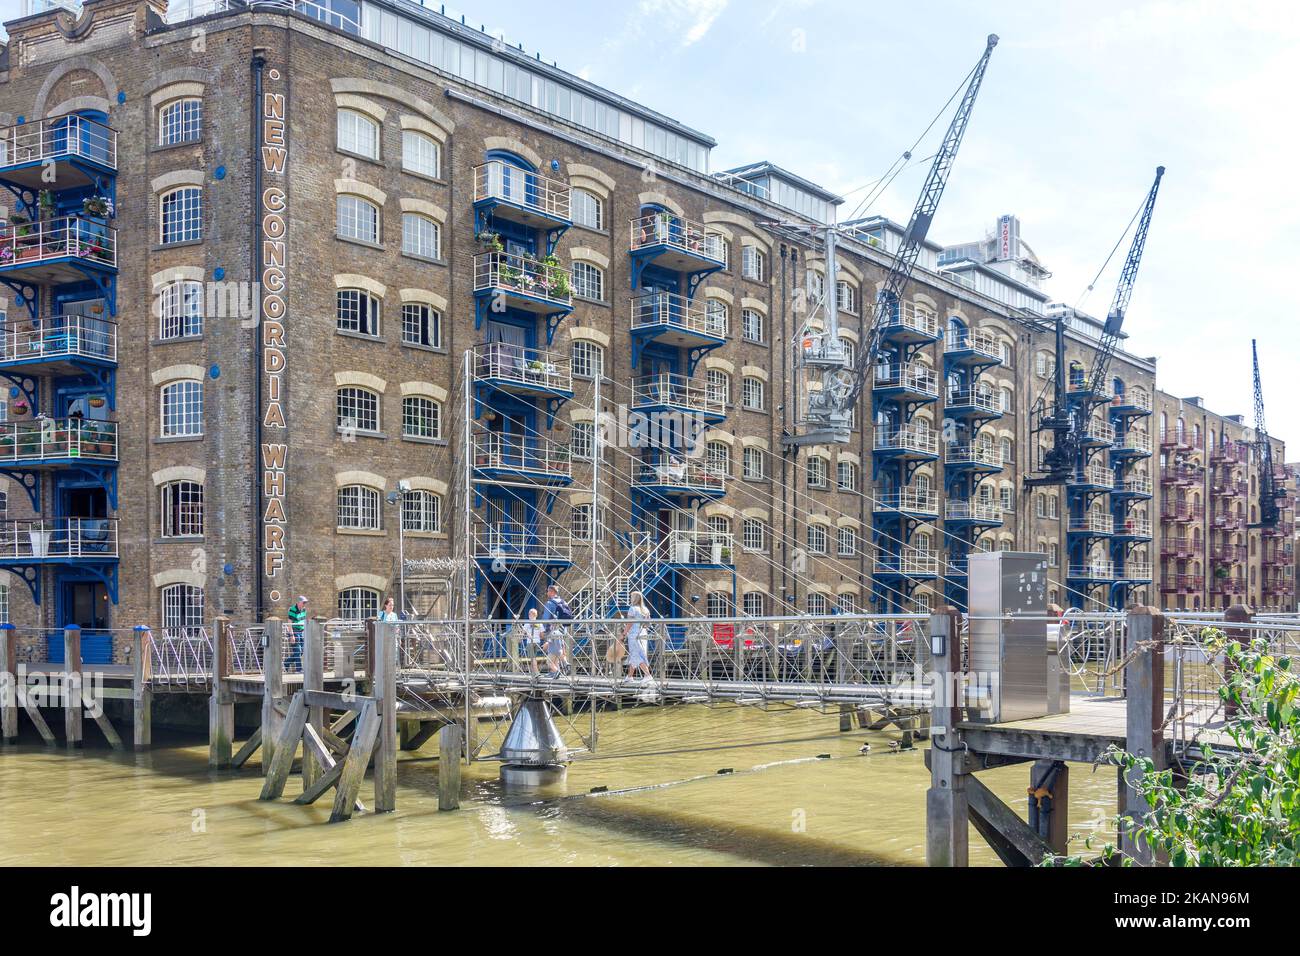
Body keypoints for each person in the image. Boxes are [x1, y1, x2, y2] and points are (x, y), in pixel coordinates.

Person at [540, 584, 574, 676]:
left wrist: (543, 631)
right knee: (557, 650)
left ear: (551, 592)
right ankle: (556, 671)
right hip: (563, 630)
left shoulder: (550, 603)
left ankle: (556, 671)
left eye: (548, 591)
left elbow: (545, 619)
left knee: (552, 650)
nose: (547, 593)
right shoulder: (563, 602)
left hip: (552, 630)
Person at [624, 591, 653, 682]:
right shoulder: (645, 609)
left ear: (634, 598)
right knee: (639, 653)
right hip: (643, 633)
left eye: (631, 597)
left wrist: (624, 633)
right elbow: (647, 624)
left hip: (634, 634)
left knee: (636, 654)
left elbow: (629, 623)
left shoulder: (632, 609)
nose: (630, 599)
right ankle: (629, 676)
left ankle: (648, 675)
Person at [286, 595, 308, 672]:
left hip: (301, 632)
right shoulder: (292, 609)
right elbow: (289, 623)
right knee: (297, 651)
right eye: (303, 602)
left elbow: (304, 621)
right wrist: (292, 635)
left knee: (301, 651)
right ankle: (299, 669)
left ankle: (286, 662)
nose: (305, 604)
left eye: (305, 602)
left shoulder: (304, 609)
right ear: (299, 602)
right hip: (294, 631)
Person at [520, 608, 545, 674]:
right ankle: (532, 673)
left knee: (532, 658)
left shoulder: (527, 623)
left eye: (529, 614)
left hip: (530, 642)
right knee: (533, 658)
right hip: (537, 642)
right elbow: (542, 635)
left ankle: (536, 673)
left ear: (530, 614)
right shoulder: (540, 623)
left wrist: (520, 638)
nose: (528, 615)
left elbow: (522, 633)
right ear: (536, 615)